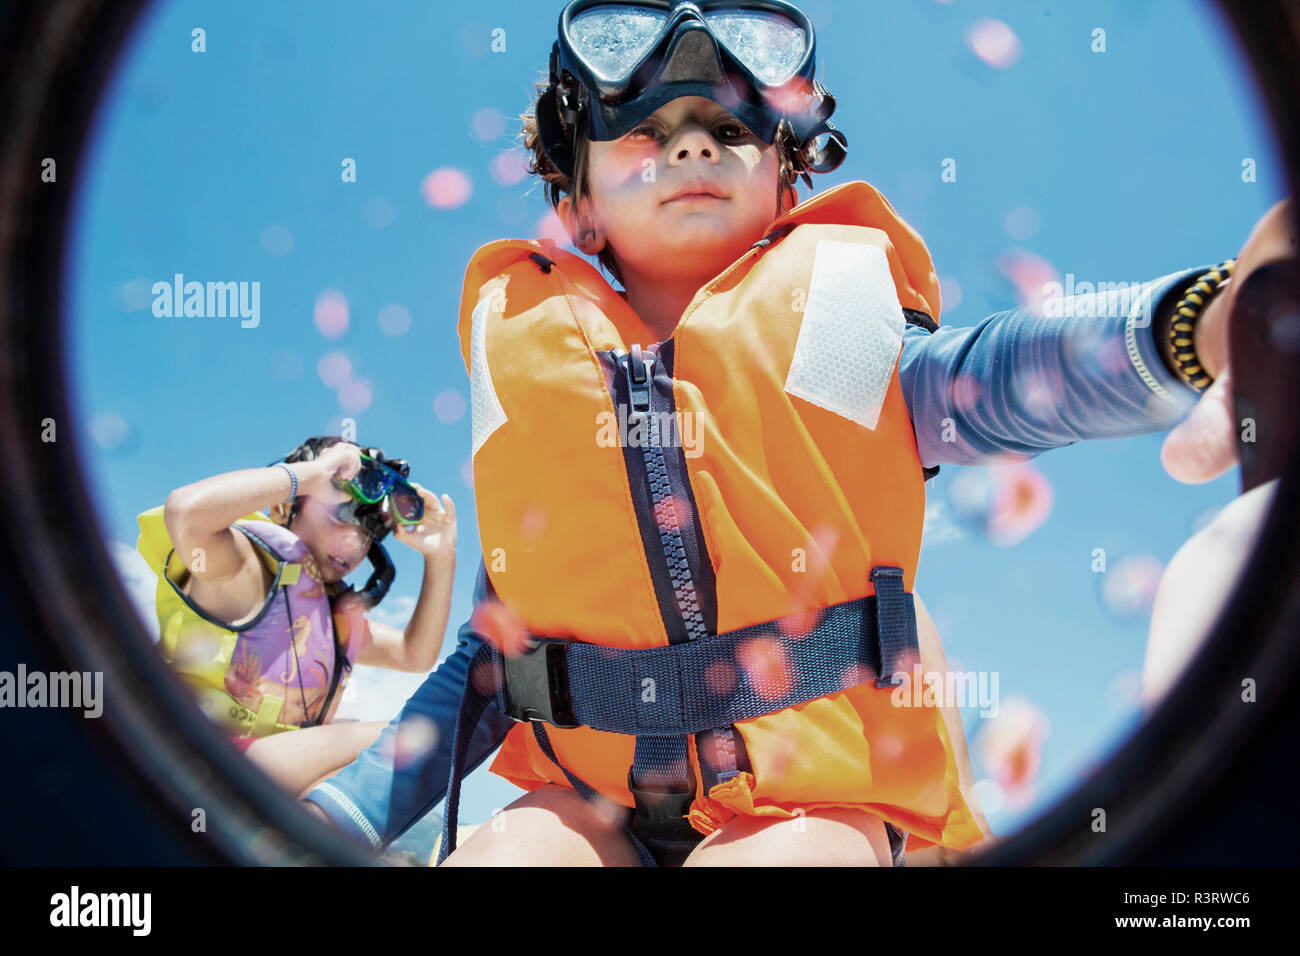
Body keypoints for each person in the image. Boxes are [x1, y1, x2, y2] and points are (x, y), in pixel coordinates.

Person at [305, 0, 1292, 867]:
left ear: (787, 180)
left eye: (726, 128)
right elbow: (491, 663)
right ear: (577, 204)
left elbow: (1005, 374)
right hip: (586, 800)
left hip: (809, 799)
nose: (690, 147)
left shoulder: (849, 339)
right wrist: (342, 811)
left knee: (797, 852)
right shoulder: (537, 369)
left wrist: (1200, 325)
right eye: (647, 132)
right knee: (515, 846)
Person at [136, 436, 457, 798]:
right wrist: (316, 474)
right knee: (412, 732)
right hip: (185, 759)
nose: (355, 544)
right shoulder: (246, 568)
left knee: (401, 737)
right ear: (281, 507)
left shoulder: (332, 619)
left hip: (257, 788)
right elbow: (186, 513)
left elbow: (413, 654)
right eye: (339, 516)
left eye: (368, 533)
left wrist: (441, 556)